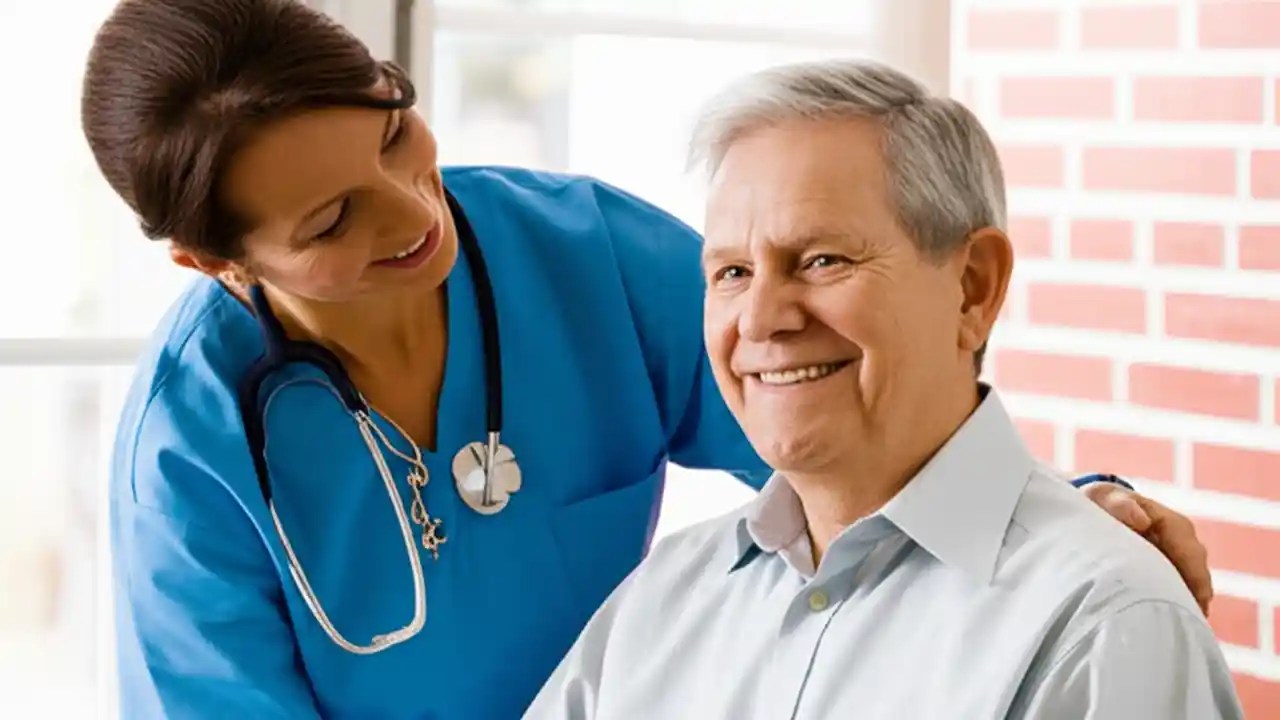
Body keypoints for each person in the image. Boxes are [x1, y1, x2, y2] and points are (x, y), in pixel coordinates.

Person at [82, 1, 1213, 718]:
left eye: (393, 133)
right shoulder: (189, 452)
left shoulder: (583, 258)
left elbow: (847, 409)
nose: (411, 210)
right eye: (332, 220)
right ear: (215, 261)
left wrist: (1056, 511)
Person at [525, 59, 1244, 719]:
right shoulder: (662, 600)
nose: (763, 320)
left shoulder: (1103, 627)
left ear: (972, 288)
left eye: (822, 260)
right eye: (733, 273)